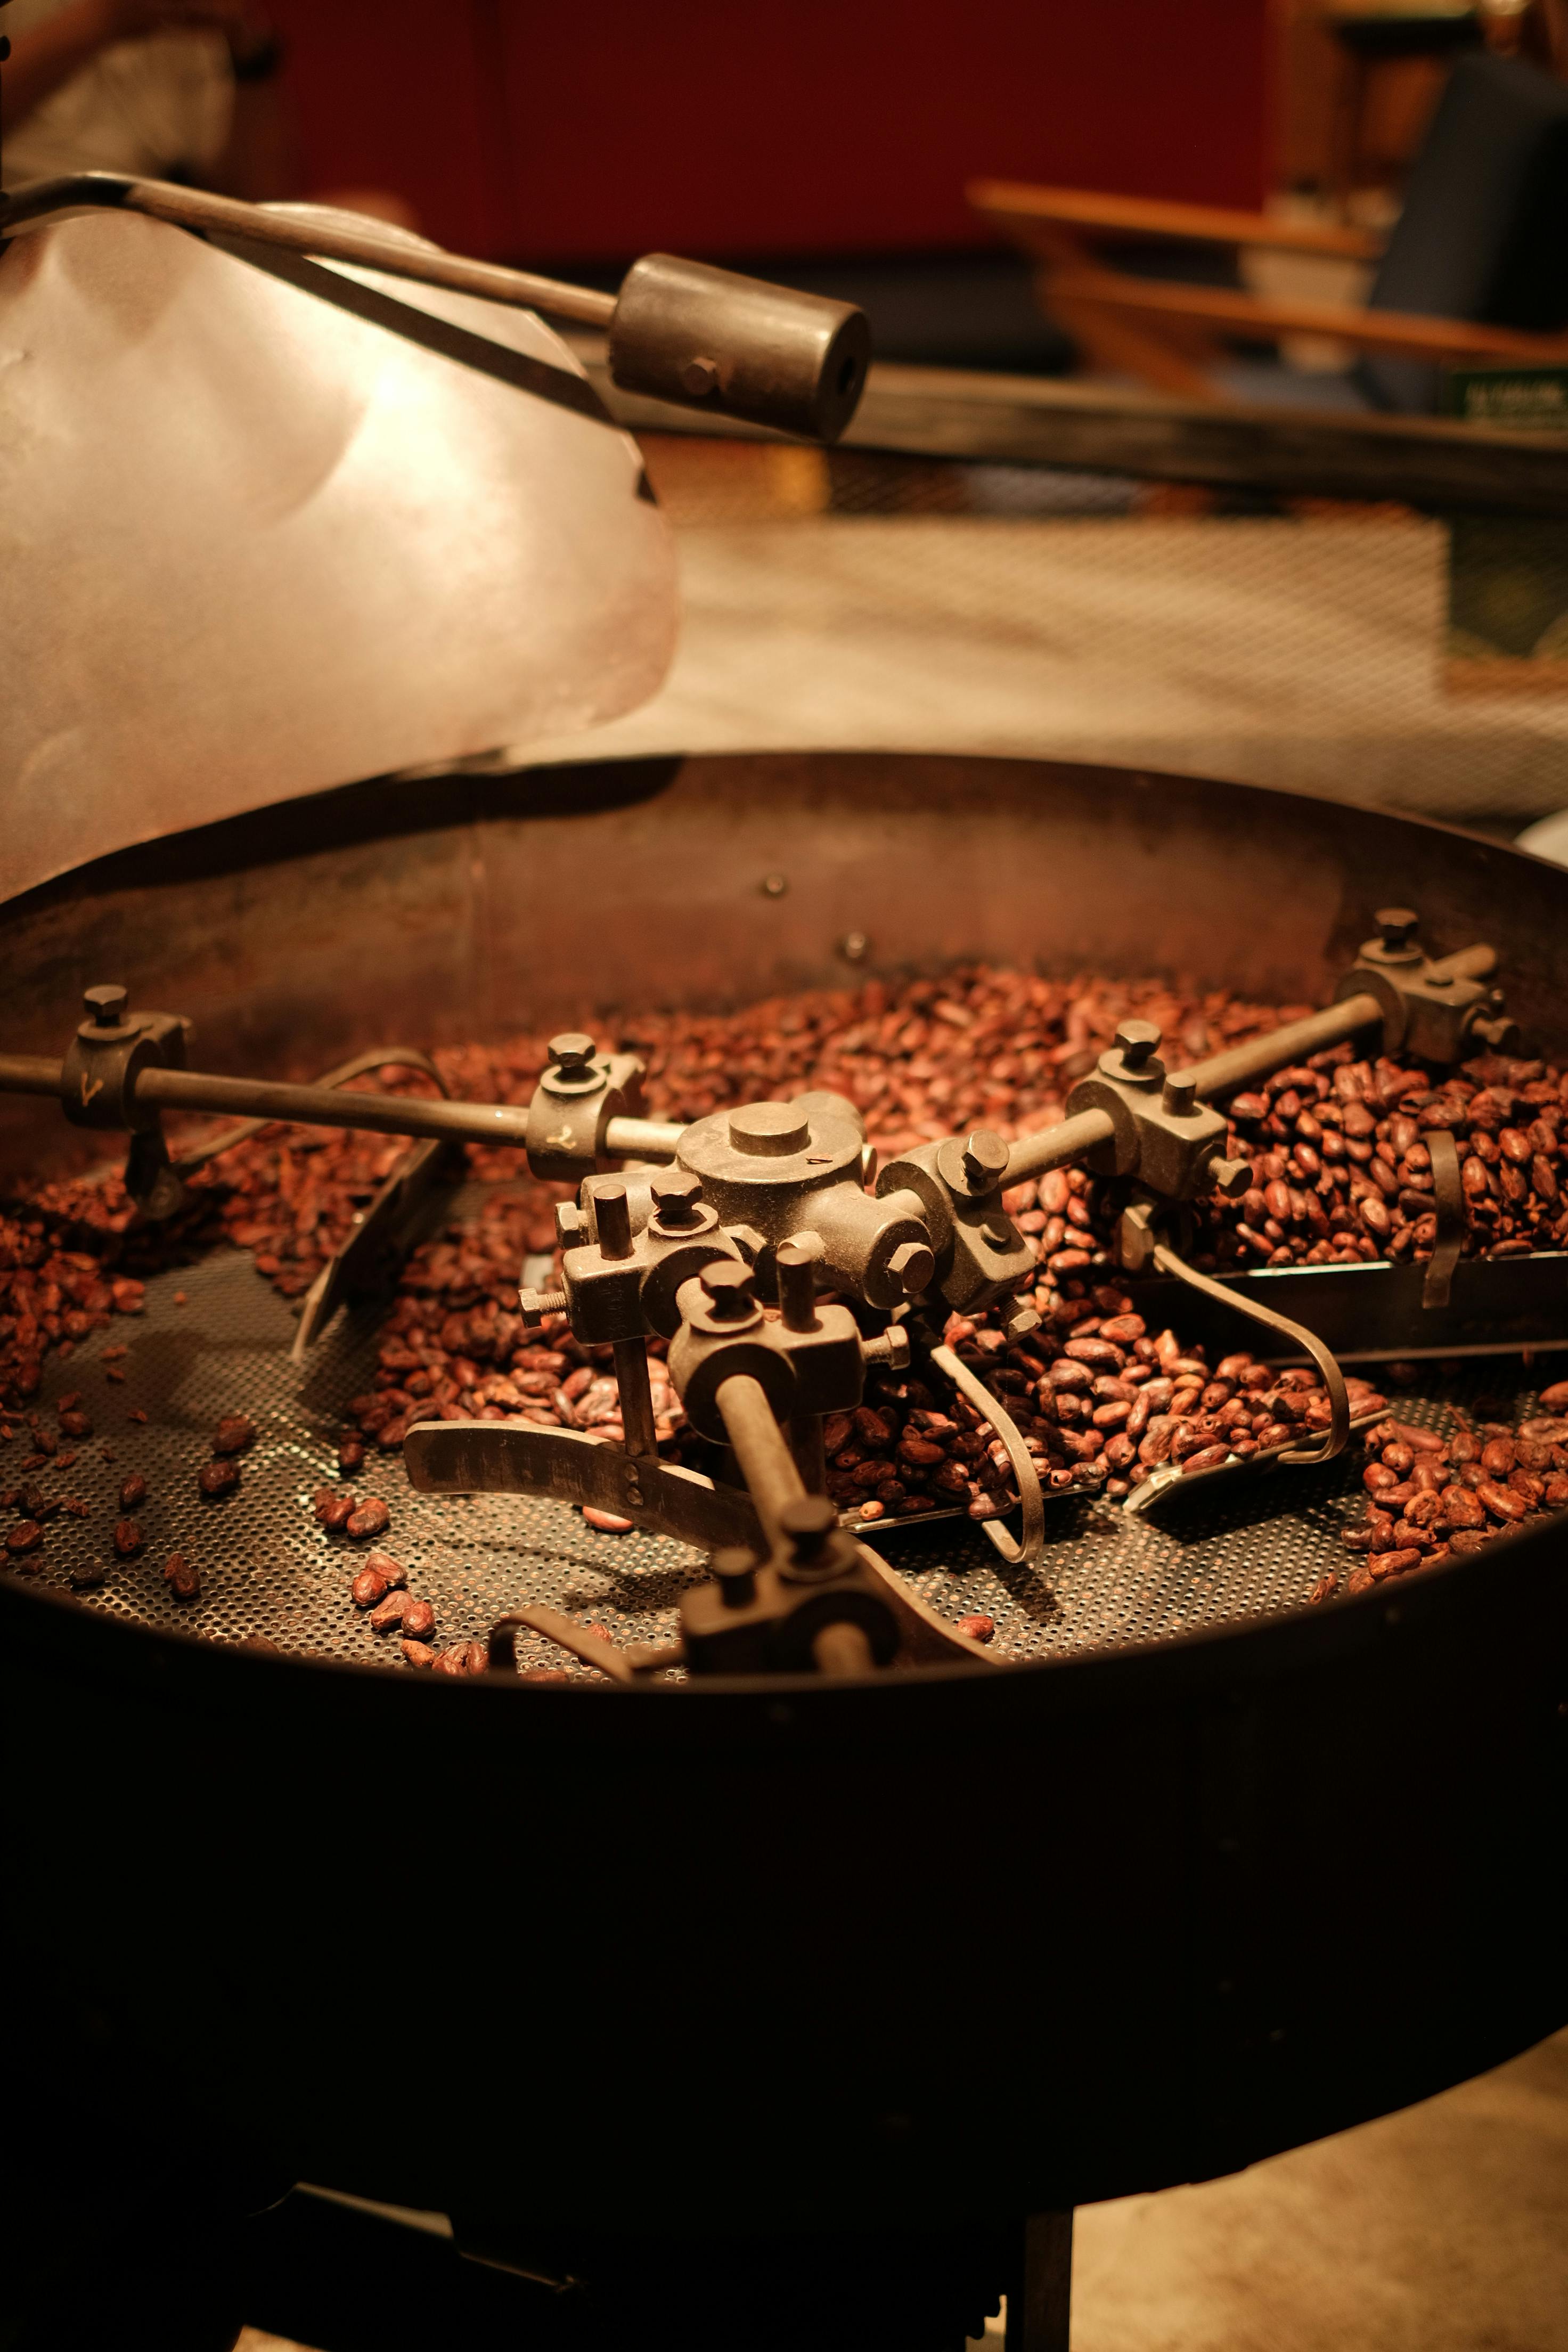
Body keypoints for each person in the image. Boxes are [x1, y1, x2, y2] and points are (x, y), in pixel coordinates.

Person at [0, 0, 415, 224]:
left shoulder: (192, 22)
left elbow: (257, 195)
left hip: (158, 224)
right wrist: (106, 18)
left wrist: (248, 50)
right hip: (31, 219)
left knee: (382, 221)